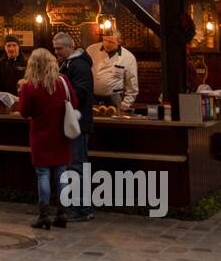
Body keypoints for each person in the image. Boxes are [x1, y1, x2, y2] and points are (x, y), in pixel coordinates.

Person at [18, 48, 73, 230]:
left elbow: (25, 112)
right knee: (61, 172)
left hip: (41, 135)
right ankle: (63, 212)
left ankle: (44, 215)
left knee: (43, 174)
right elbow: (75, 102)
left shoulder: (28, 86)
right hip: (60, 134)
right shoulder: (62, 82)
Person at [53, 31, 94, 221]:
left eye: (59, 49)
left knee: (77, 165)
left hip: (78, 123)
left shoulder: (79, 66)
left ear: (70, 47)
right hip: (71, 122)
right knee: (72, 165)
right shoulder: (68, 64)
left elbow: (81, 93)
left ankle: (83, 208)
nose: (57, 52)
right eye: (55, 49)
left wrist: (60, 95)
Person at [86, 25, 139, 110]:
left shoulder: (128, 57)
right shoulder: (91, 50)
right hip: (92, 98)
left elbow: (132, 83)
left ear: (119, 41)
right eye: (105, 40)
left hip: (114, 99)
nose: (106, 44)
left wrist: (127, 102)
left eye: (111, 42)